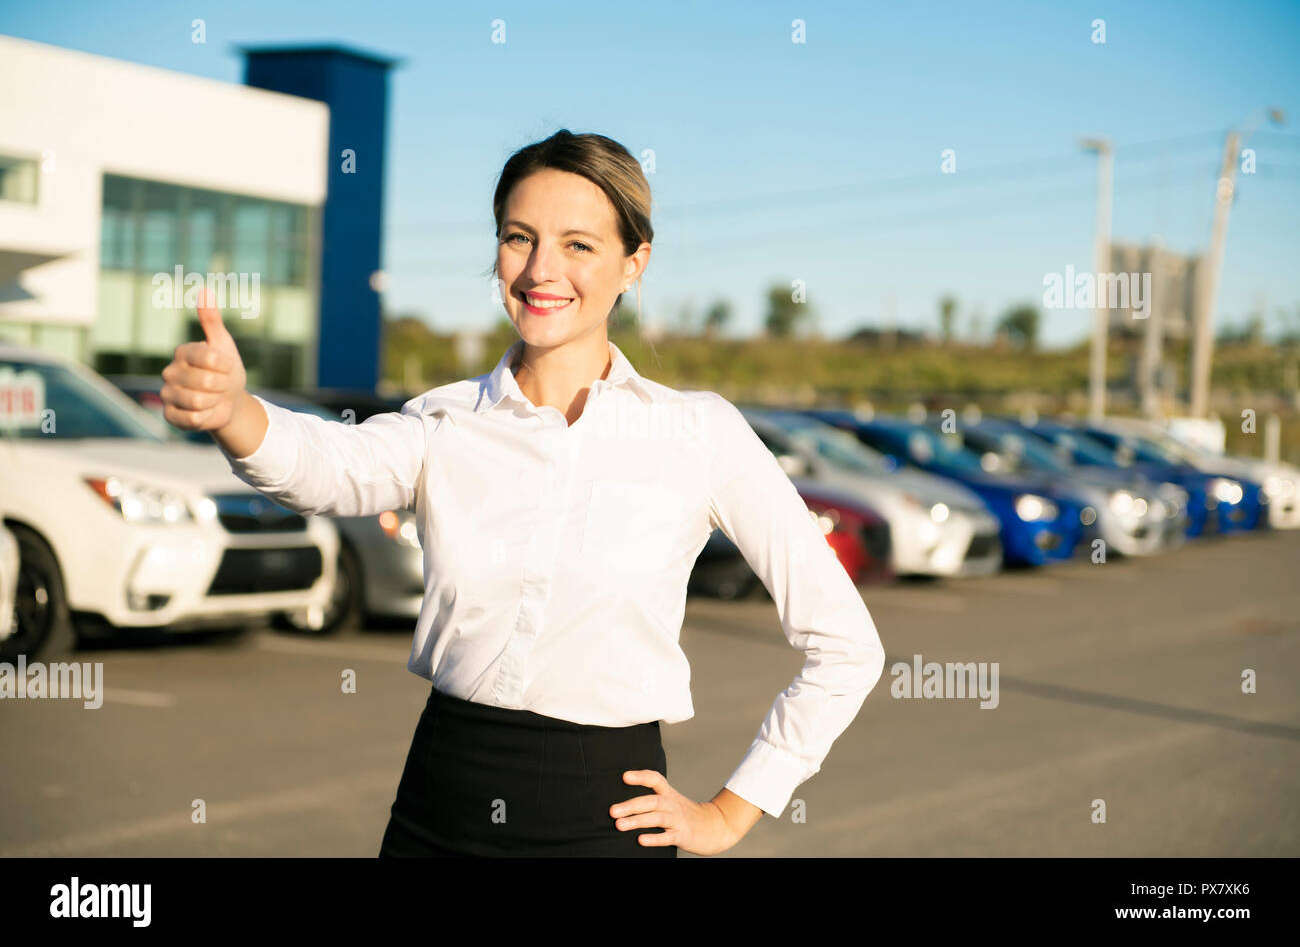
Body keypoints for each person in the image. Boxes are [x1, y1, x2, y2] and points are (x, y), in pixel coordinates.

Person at [159, 129, 886, 857]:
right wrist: (232, 411)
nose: (541, 270)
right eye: (519, 238)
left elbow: (846, 647)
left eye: (578, 245)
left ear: (635, 263)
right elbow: (324, 467)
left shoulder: (699, 434)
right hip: (438, 804)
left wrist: (732, 811)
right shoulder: (447, 422)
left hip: (605, 818)